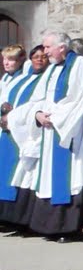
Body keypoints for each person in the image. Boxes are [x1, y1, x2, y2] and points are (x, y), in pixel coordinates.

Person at [13, 31, 83, 239]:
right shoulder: (52, 69)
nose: (44, 52)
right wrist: (37, 114)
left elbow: (79, 100)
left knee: (67, 179)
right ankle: (49, 227)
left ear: (61, 47)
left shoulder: (81, 65)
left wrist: (53, 117)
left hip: (67, 133)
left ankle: (68, 229)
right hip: (49, 132)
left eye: (47, 47)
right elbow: (39, 98)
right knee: (47, 179)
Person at [0, 45, 46, 230]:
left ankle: (17, 217)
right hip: (8, 130)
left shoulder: (43, 80)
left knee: (20, 173)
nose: (39, 60)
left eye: (42, 56)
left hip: (24, 133)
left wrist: (12, 118)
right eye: (35, 57)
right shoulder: (20, 79)